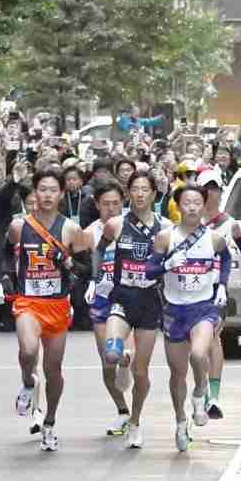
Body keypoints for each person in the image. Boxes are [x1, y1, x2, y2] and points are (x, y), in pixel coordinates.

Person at [0, 168, 92, 452]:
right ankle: (27, 383)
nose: (47, 195)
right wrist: (2, 280)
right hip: (27, 301)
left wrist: (68, 261)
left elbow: (87, 268)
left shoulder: (71, 230)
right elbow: (3, 253)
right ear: (34, 193)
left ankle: (49, 422)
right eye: (42, 189)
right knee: (27, 350)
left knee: (53, 369)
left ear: (61, 193)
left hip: (58, 304)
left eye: (53, 189)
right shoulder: (18, 226)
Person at [85, 172, 169, 450]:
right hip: (121, 298)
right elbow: (98, 251)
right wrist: (95, 280)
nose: (141, 194)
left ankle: (135, 421)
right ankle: (122, 361)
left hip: (149, 303)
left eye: (146, 189)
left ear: (154, 194)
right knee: (110, 352)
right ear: (128, 194)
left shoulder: (166, 228)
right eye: (135, 189)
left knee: (142, 372)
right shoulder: (116, 225)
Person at [148, 184, 233, 452]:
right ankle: (180, 421)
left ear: (204, 205)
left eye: (198, 202)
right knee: (177, 372)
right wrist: (166, 265)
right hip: (174, 309)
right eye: (187, 202)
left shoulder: (214, 238)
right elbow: (149, 271)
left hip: (203, 307)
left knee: (199, 354)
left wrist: (221, 286)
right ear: (178, 206)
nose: (193, 207)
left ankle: (200, 393)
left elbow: (226, 259)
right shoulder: (165, 237)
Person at [83, 181, 134, 437]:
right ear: (96, 205)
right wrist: (89, 281)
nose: (111, 208)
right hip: (102, 301)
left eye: (116, 203)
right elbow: (80, 264)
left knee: (131, 359)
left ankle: (136, 417)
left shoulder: (133, 226)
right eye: (106, 204)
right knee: (107, 363)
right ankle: (122, 411)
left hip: (129, 300)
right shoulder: (90, 233)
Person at [199, 169, 241, 420]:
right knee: (196, 346)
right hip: (190, 289)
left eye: (215, 188)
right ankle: (201, 391)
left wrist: (238, 281)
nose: (211, 193)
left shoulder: (230, 224)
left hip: (217, 290)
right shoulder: (189, 220)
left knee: (213, 337)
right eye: (207, 188)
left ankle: (213, 397)